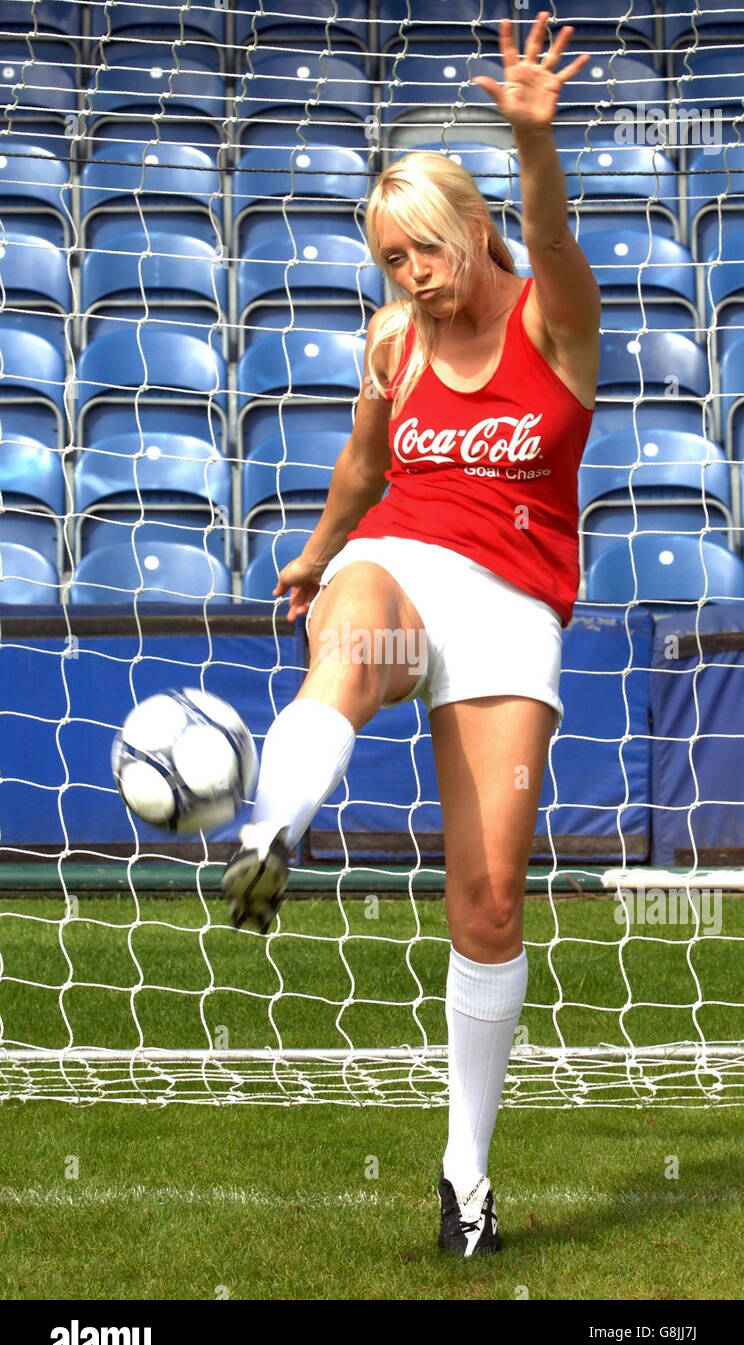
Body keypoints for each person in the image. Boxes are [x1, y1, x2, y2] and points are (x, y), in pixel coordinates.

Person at [223, 12, 600, 1256]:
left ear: (474, 228)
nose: (409, 279)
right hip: (401, 559)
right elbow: (366, 459)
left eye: (424, 251)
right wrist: (325, 550)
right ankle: (270, 826)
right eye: (390, 260)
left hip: (514, 607)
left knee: (489, 898)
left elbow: (547, 232)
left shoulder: (557, 319)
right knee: (355, 646)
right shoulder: (394, 338)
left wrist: (532, 144)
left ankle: (465, 1179)